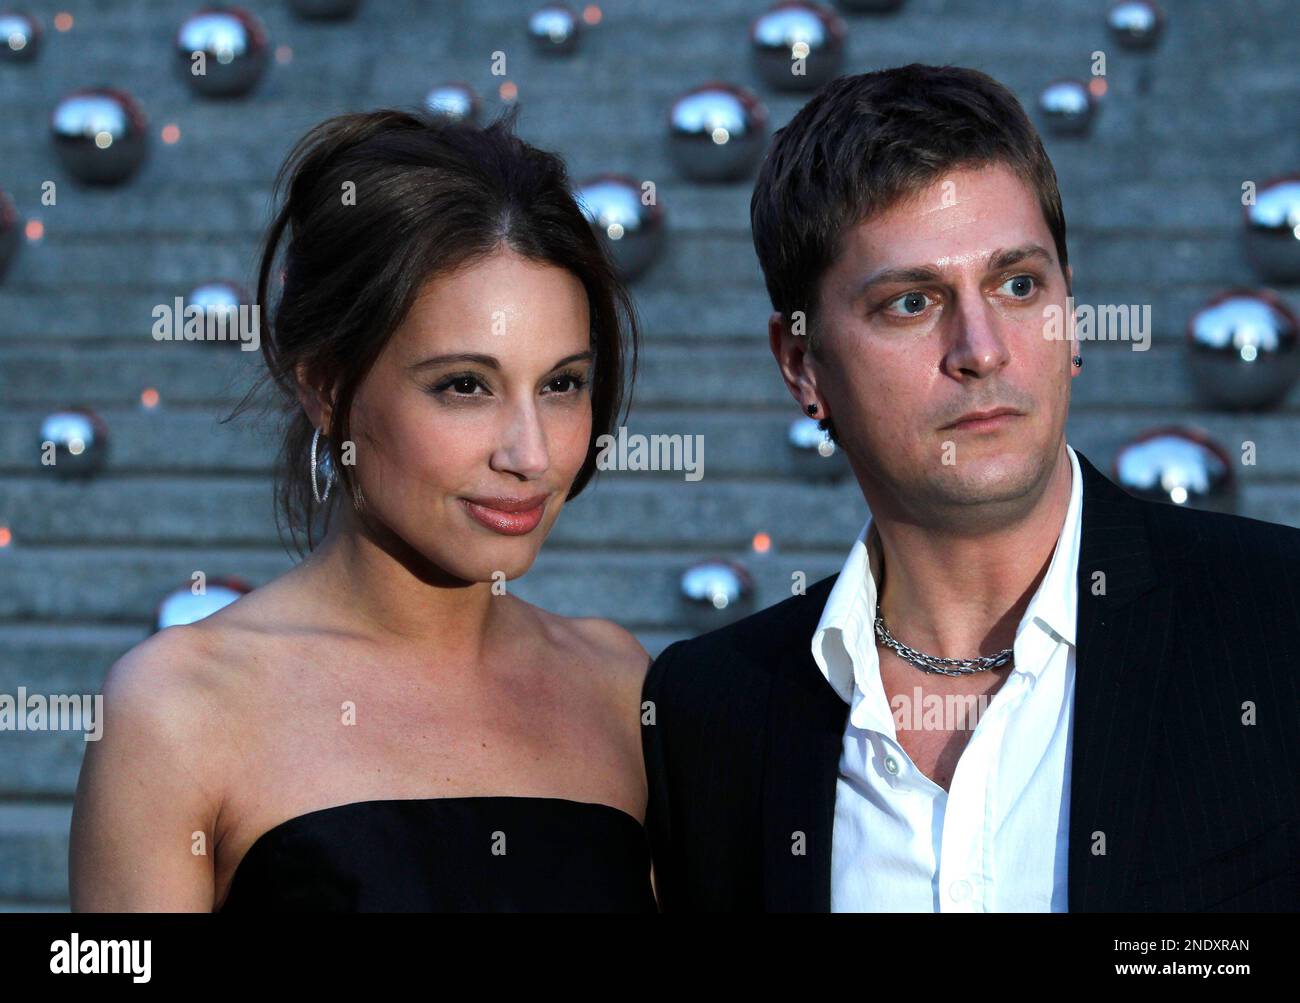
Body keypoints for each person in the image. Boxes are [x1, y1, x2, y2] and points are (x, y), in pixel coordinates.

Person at [641, 64, 1300, 912]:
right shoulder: (712, 713)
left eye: (1018, 285)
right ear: (802, 365)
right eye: (911, 302)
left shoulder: (1278, 619)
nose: (981, 349)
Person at [69, 107, 655, 912]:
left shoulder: (620, 687)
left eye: (562, 384)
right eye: (464, 386)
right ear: (327, 388)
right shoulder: (176, 710)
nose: (531, 453)